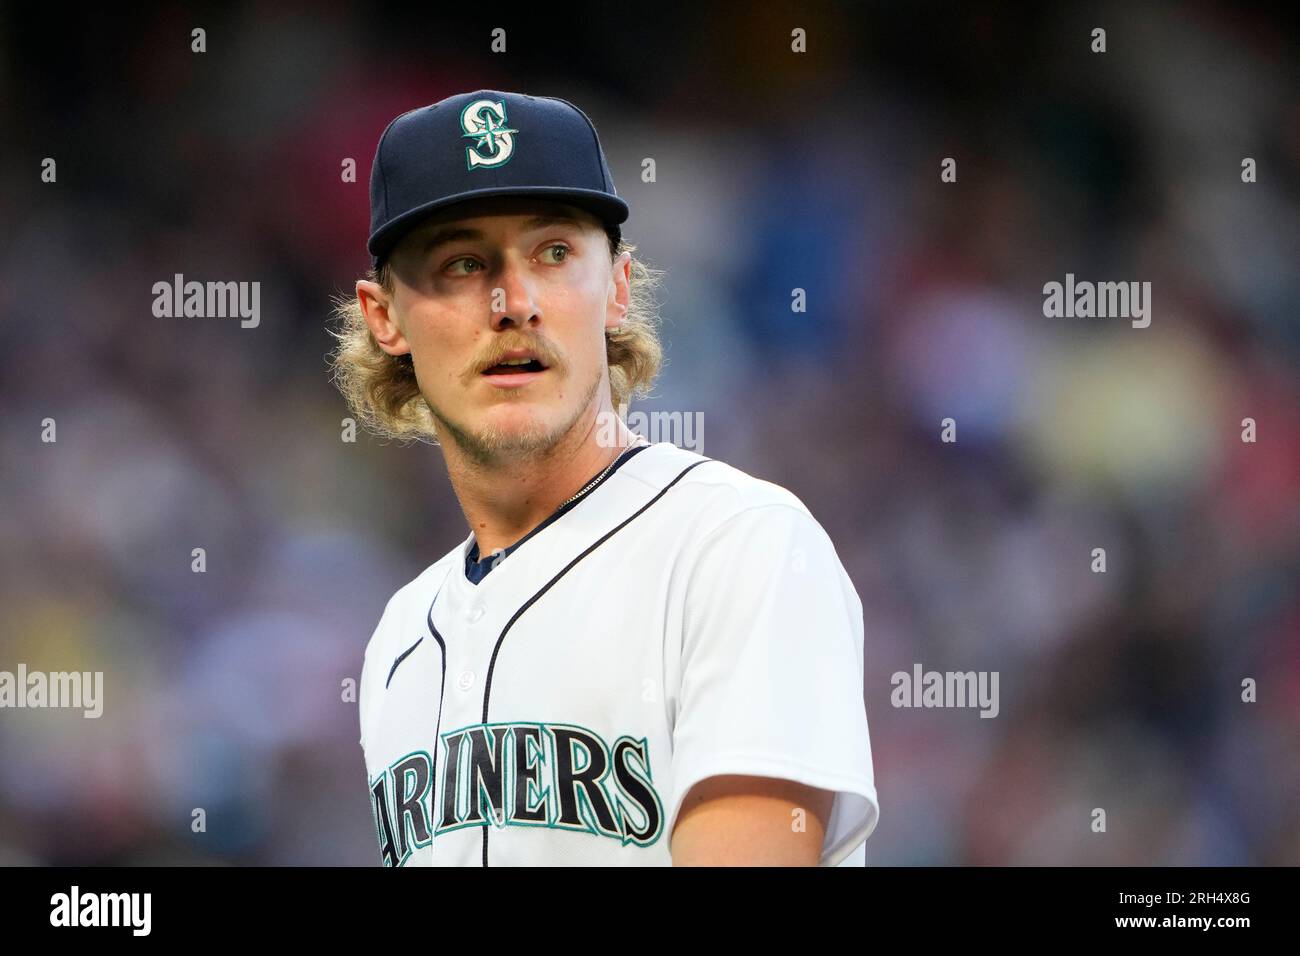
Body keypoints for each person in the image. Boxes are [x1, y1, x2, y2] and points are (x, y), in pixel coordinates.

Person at [331, 90, 878, 866]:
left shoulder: (736, 547)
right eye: (462, 263)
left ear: (618, 287)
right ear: (384, 316)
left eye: (554, 254)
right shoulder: (398, 640)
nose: (514, 303)